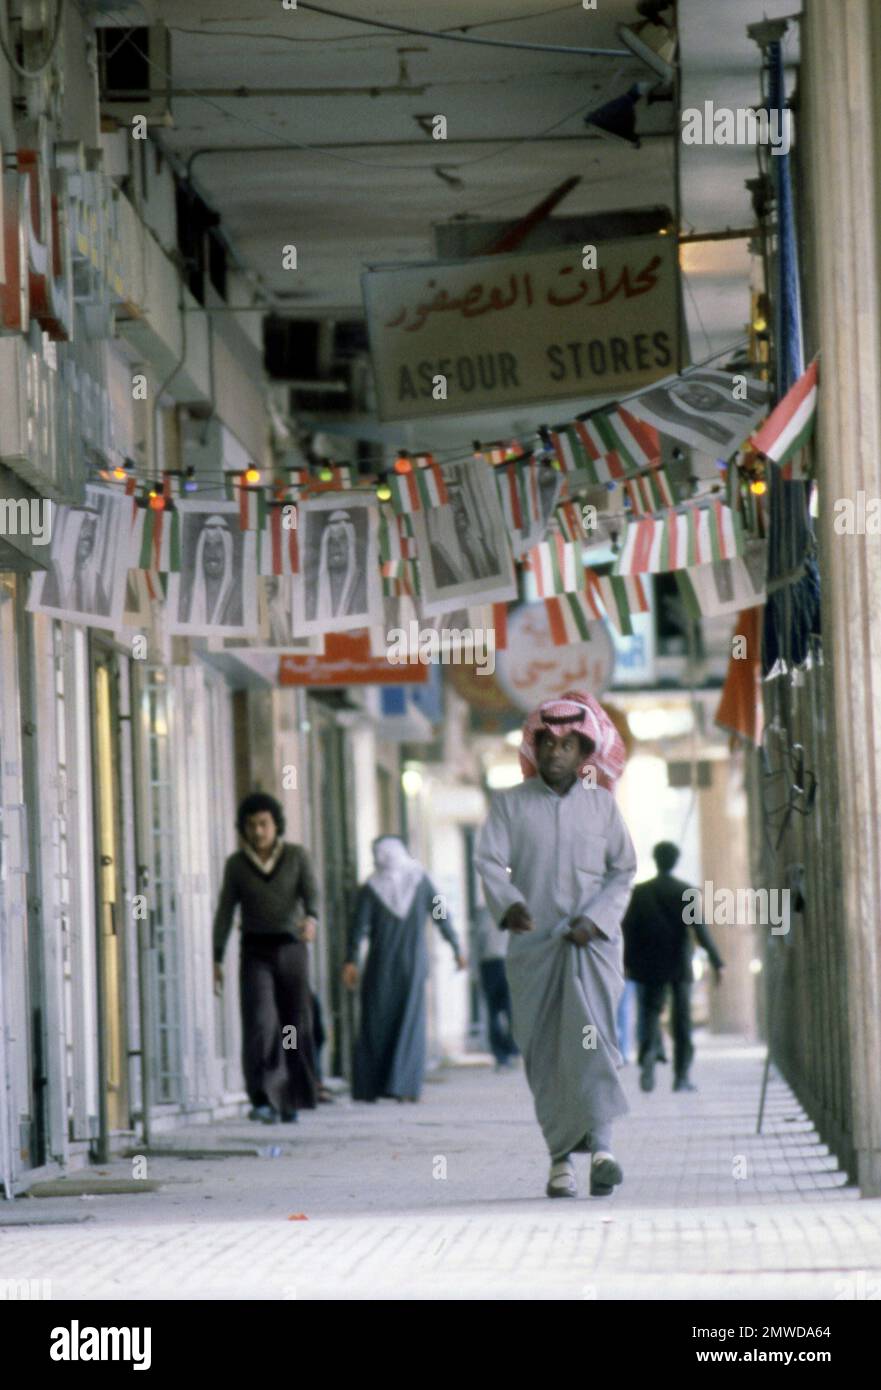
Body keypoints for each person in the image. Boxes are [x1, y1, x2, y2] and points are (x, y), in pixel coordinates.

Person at [475, 691, 637, 1200]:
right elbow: (487, 862)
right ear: (534, 746)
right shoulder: (509, 806)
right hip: (534, 952)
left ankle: (604, 1150)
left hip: (592, 951)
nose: (556, 753)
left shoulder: (603, 807)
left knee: (593, 1047)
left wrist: (594, 919)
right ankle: (560, 1161)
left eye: (567, 745)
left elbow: (624, 870)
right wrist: (508, 904)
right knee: (546, 1056)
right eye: (547, 743)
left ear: (584, 750)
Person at [213, 793, 319, 1123]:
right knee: (260, 1022)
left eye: (264, 824)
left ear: (276, 825)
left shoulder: (296, 856)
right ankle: (262, 1097)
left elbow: (311, 894)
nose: (258, 831)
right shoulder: (237, 865)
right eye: (251, 825)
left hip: (291, 949)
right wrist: (217, 957)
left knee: (291, 1024)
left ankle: (290, 1097)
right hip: (255, 952)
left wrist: (312, 919)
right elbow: (225, 911)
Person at [342, 836, 465, 1102]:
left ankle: (372, 1087)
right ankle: (404, 1087)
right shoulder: (421, 881)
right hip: (413, 964)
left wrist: (351, 959)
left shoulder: (371, 887)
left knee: (376, 1023)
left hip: (381, 966)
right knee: (410, 1024)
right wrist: (456, 946)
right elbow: (442, 914)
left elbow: (358, 927)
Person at [622, 841, 724, 1095]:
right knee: (681, 1022)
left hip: (647, 965)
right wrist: (717, 961)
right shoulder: (685, 891)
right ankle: (681, 1077)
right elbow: (699, 930)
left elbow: (627, 931)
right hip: (678, 963)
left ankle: (648, 1052)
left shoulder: (638, 893)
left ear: (656, 859)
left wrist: (626, 963)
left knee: (649, 1013)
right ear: (675, 861)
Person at [474, 898, 518, 1072]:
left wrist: (475, 971)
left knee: (495, 1012)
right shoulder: (514, 907)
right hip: (506, 961)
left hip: (491, 963)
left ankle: (502, 1054)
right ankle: (510, 1051)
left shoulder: (484, 912)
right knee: (509, 1011)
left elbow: (477, 942)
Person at [186, 514, 236, 626]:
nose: (212, 552)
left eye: (219, 545)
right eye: (207, 545)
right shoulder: (190, 595)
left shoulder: (237, 594)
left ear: (228, 550)